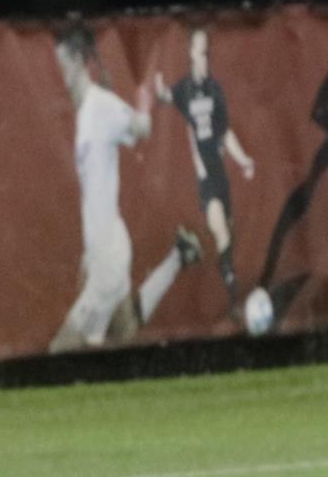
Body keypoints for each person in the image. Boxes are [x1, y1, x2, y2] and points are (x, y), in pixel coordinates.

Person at [50, 23, 202, 352]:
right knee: (125, 328)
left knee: (61, 350)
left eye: (61, 63)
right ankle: (178, 258)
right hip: (103, 253)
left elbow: (140, 129)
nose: (58, 73)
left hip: (110, 257)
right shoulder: (85, 114)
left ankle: (178, 257)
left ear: (77, 61)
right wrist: (90, 255)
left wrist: (144, 106)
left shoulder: (100, 106)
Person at [153, 27, 257, 312]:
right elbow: (166, 96)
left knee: (228, 237)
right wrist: (159, 90)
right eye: (200, 52)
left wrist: (244, 160)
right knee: (221, 233)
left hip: (221, 176)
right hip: (206, 180)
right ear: (190, 53)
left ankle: (230, 288)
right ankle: (235, 303)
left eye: (207, 52)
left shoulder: (215, 90)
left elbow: (226, 133)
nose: (205, 58)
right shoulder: (184, 90)